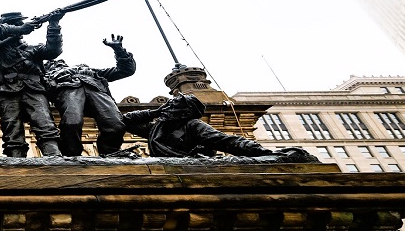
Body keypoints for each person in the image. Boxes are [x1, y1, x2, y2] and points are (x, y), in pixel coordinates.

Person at [0, 11, 65, 157]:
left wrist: (53, 24)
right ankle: (16, 160)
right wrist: (19, 30)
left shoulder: (33, 49)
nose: (20, 26)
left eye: (20, 24)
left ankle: (53, 155)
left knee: (44, 123)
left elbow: (53, 51)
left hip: (34, 89)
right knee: (12, 127)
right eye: (15, 24)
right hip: (6, 91)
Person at [44, 35, 135, 156]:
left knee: (115, 124)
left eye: (60, 62)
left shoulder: (88, 70)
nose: (56, 63)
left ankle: (110, 152)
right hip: (68, 93)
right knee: (71, 123)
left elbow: (125, 70)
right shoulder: (45, 78)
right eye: (51, 64)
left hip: (97, 92)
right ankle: (71, 155)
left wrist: (119, 50)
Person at [123, 94, 283, 158]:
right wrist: (153, 112)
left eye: (173, 106)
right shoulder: (156, 128)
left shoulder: (194, 126)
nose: (167, 108)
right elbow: (125, 120)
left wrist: (264, 152)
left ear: (185, 112)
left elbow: (225, 141)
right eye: (167, 105)